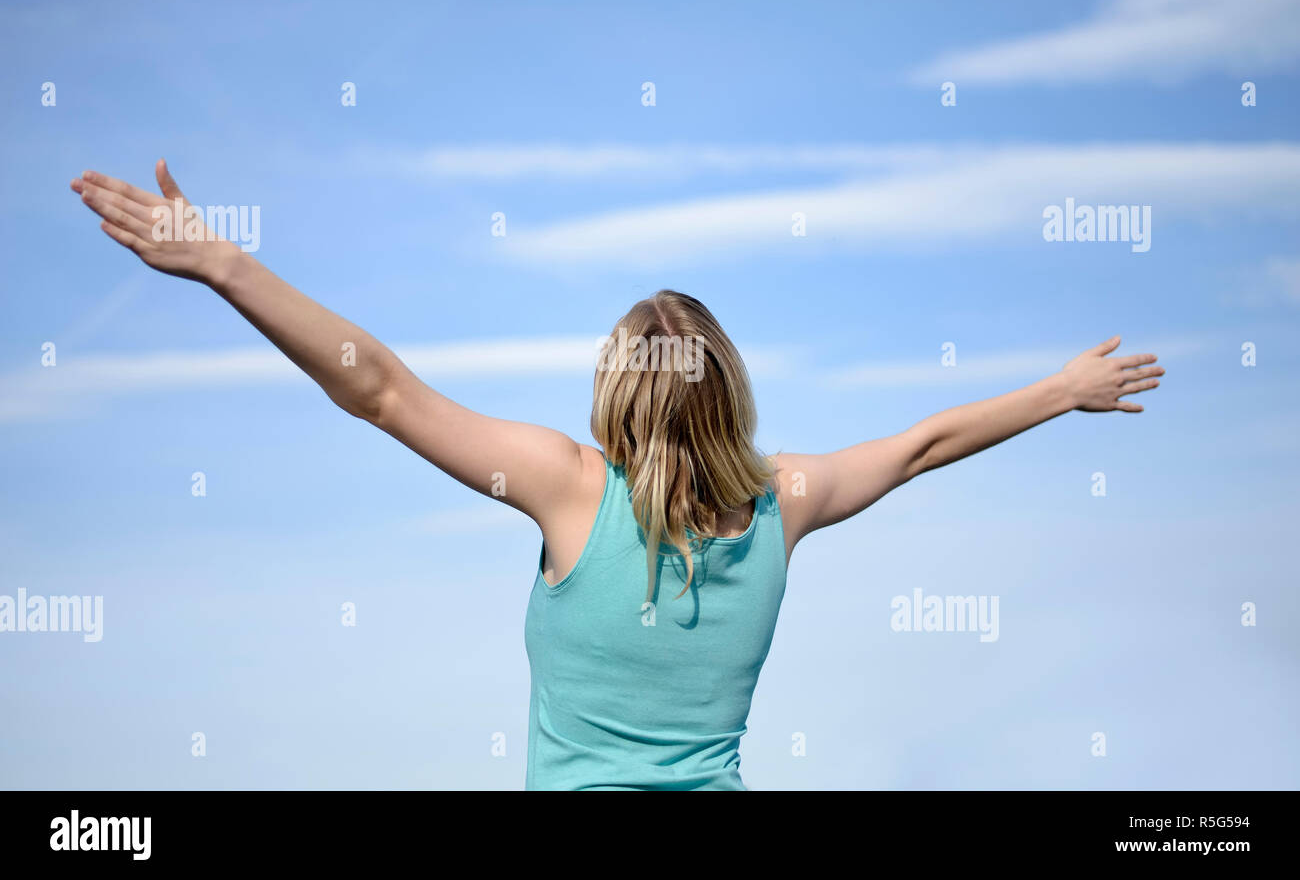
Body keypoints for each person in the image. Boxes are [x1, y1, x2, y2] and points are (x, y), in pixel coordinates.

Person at [71, 160, 1164, 790]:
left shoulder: (566, 487)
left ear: (614, 395)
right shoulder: (783, 502)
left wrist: (225, 265)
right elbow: (924, 444)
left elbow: (382, 392)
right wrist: (1059, 391)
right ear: (729, 390)